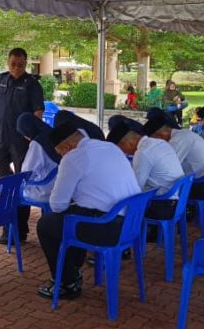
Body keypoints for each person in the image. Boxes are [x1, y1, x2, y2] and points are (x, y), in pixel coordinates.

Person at [36, 122, 141, 300]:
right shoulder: (110, 147)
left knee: (47, 224)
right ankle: (73, 270)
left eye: (60, 153)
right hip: (132, 223)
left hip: (109, 228)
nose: (61, 156)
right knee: (75, 215)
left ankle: (66, 283)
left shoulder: (74, 158)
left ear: (67, 147)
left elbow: (57, 205)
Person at [0, 48, 45, 244]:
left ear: (26, 64)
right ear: (8, 63)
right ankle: (10, 192)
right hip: (0, 137)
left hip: (20, 142)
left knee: (19, 182)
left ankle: (18, 230)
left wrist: (30, 134)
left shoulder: (32, 84)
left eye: (21, 65)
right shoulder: (0, 80)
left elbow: (38, 111)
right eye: (13, 64)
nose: (16, 68)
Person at [107, 120, 183, 234]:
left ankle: (128, 236)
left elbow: (136, 188)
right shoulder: (159, 143)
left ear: (127, 143)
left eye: (122, 150)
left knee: (117, 206)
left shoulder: (143, 152)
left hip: (164, 206)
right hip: (178, 200)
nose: (125, 153)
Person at [143, 114, 204, 198]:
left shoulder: (178, 141)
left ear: (161, 135)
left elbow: (168, 167)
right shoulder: (184, 133)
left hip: (200, 184)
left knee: (153, 190)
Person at [17, 113, 61, 204]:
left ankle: (15, 218)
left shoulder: (37, 143)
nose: (25, 137)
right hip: (63, 185)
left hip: (45, 190)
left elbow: (27, 172)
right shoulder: (55, 134)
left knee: (14, 193)